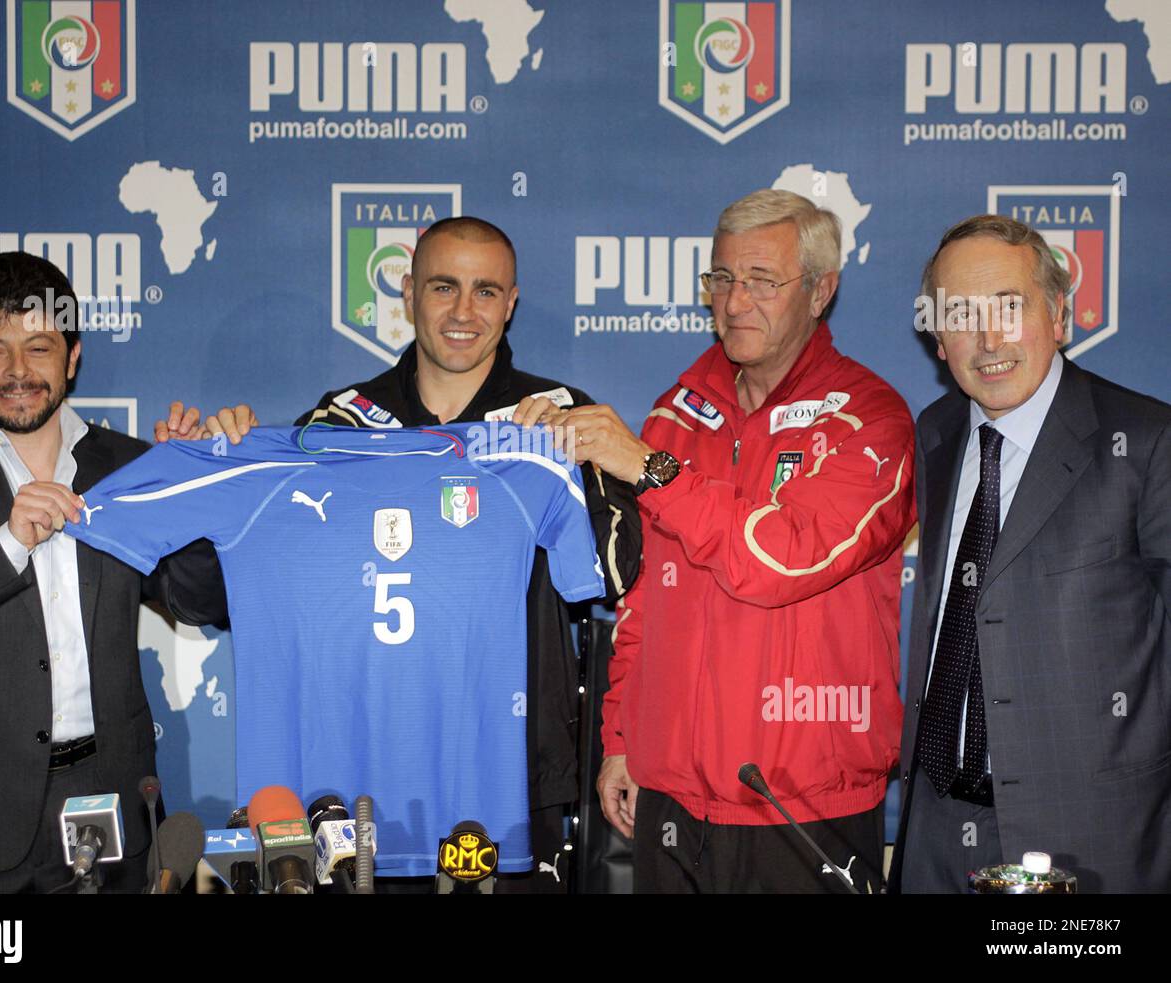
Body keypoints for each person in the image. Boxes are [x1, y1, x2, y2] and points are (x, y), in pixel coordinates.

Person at [553, 189, 915, 893]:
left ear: (821, 291)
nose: (736, 300)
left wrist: (649, 469)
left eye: (762, 280)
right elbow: (643, 602)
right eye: (722, 278)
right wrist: (625, 739)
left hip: (801, 801)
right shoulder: (678, 408)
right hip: (673, 796)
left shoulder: (870, 419)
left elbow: (781, 557)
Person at [294, 216, 641, 891]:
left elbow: (619, 573)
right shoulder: (339, 423)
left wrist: (579, 467)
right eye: (443, 287)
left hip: (510, 767)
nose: (462, 311)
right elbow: (289, 582)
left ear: (511, 304)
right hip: (369, 762)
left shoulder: (565, 415)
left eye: (485, 292)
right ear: (407, 291)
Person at [0, 252, 231, 893]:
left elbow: (202, 602)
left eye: (39, 347)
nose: (17, 372)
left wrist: (187, 497)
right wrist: (8, 542)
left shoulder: (130, 466)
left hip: (107, 800)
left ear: (72, 357)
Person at [889, 215, 1171, 894]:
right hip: (932, 834)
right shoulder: (936, 432)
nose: (988, 339)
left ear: (1060, 315)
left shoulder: (1147, 442)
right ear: (937, 335)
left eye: (1009, 307)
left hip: (1091, 841)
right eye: (962, 313)